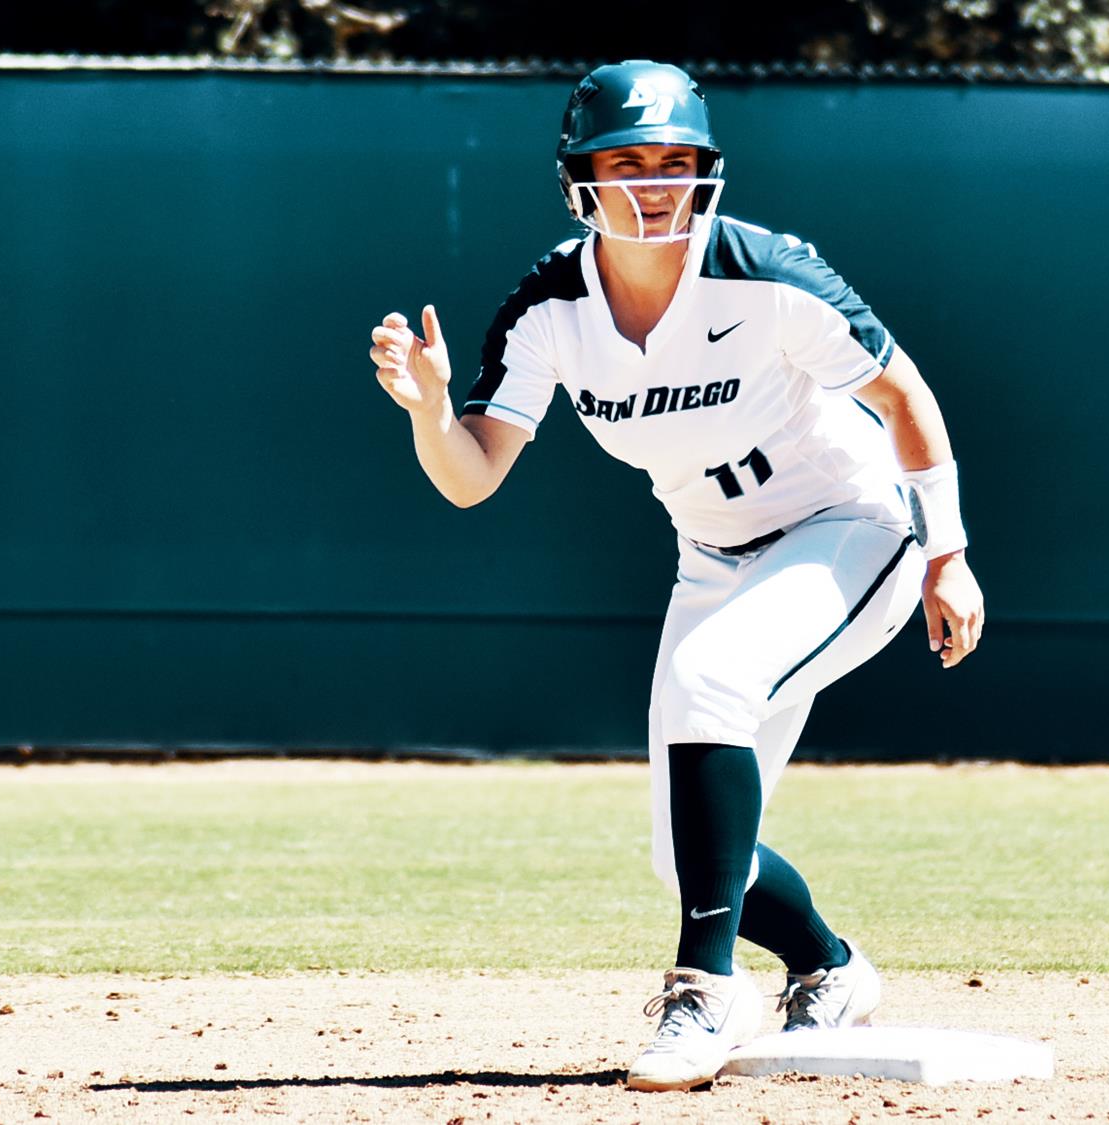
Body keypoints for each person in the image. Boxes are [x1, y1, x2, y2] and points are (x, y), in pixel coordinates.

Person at [369, 60, 985, 1092]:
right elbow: (472, 477)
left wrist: (948, 551)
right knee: (693, 856)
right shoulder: (551, 306)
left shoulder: (766, 272)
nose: (653, 181)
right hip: (710, 558)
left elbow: (904, 397)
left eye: (673, 160)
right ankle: (828, 966)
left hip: (848, 529)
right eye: (627, 160)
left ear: (704, 172)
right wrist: (432, 414)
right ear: (580, 176)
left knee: (710, 690)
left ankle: (703, 990)